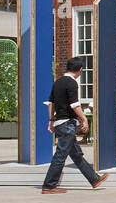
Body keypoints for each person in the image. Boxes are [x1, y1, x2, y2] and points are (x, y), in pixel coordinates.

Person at [41, 57, 109, 194]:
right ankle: (49, 185)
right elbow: (74, 105)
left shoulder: (58, 82)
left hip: (60, 122)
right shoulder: (72, 84)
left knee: (76, 155)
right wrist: (84, 119)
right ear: (80, 70)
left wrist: (51, 120)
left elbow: (51, 103)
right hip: (67, 124)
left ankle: (94, 179)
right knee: (60, 156)